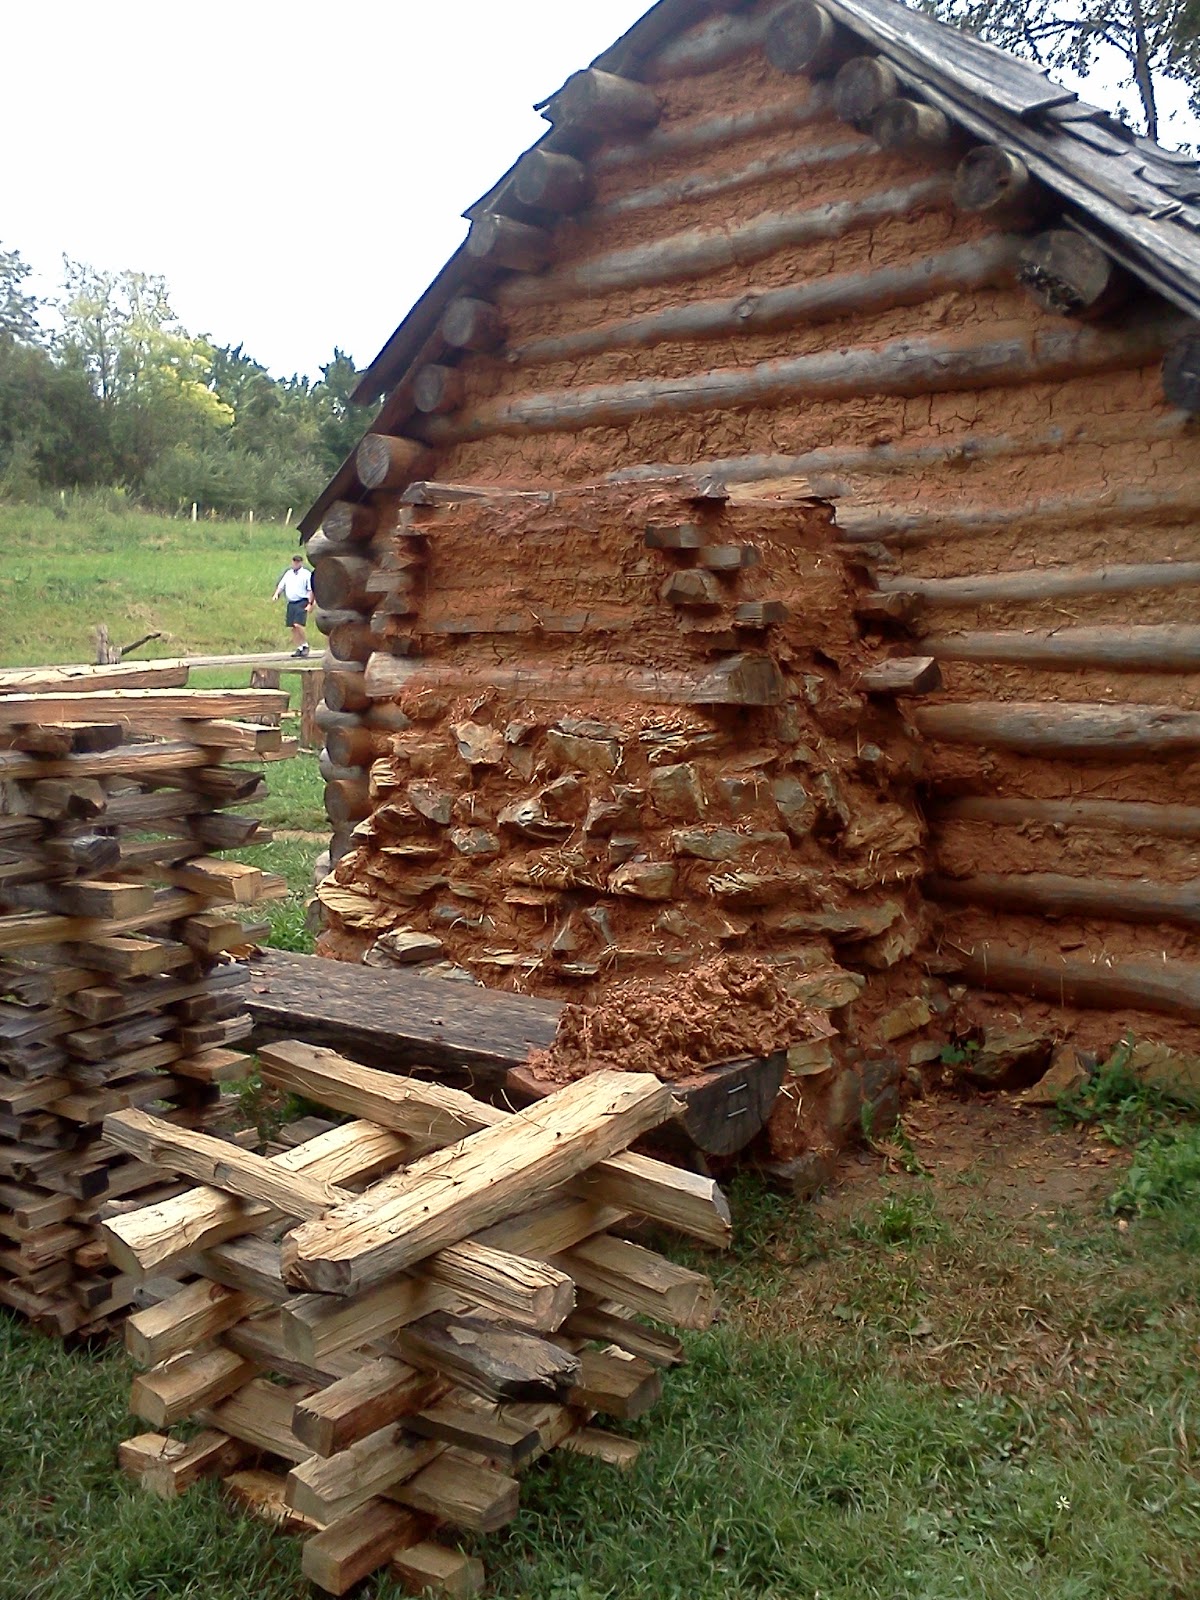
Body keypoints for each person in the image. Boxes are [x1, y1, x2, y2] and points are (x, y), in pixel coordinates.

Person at [271, 554, 314, 656]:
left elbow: (311, 589)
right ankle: (299, 647)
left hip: (301, 601)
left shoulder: (306, 574)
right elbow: (281, 585)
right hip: (291, 602)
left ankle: (305, 645)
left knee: (298, 625)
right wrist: (276, 594)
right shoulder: (289, 573)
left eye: (297, 562)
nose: (295, 563)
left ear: (301, 563)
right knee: (292, 627)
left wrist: (310, 603)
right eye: (294, 561)